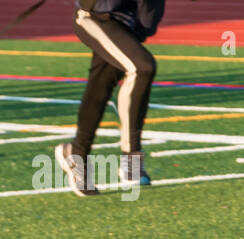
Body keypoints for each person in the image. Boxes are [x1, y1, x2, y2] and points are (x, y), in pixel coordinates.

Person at [56, 0, 165, 196]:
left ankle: (76, 154)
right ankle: (131, 161)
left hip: (126, 25)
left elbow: (149, 18)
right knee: (142, 68)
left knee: (99, 88)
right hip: (95, 18)